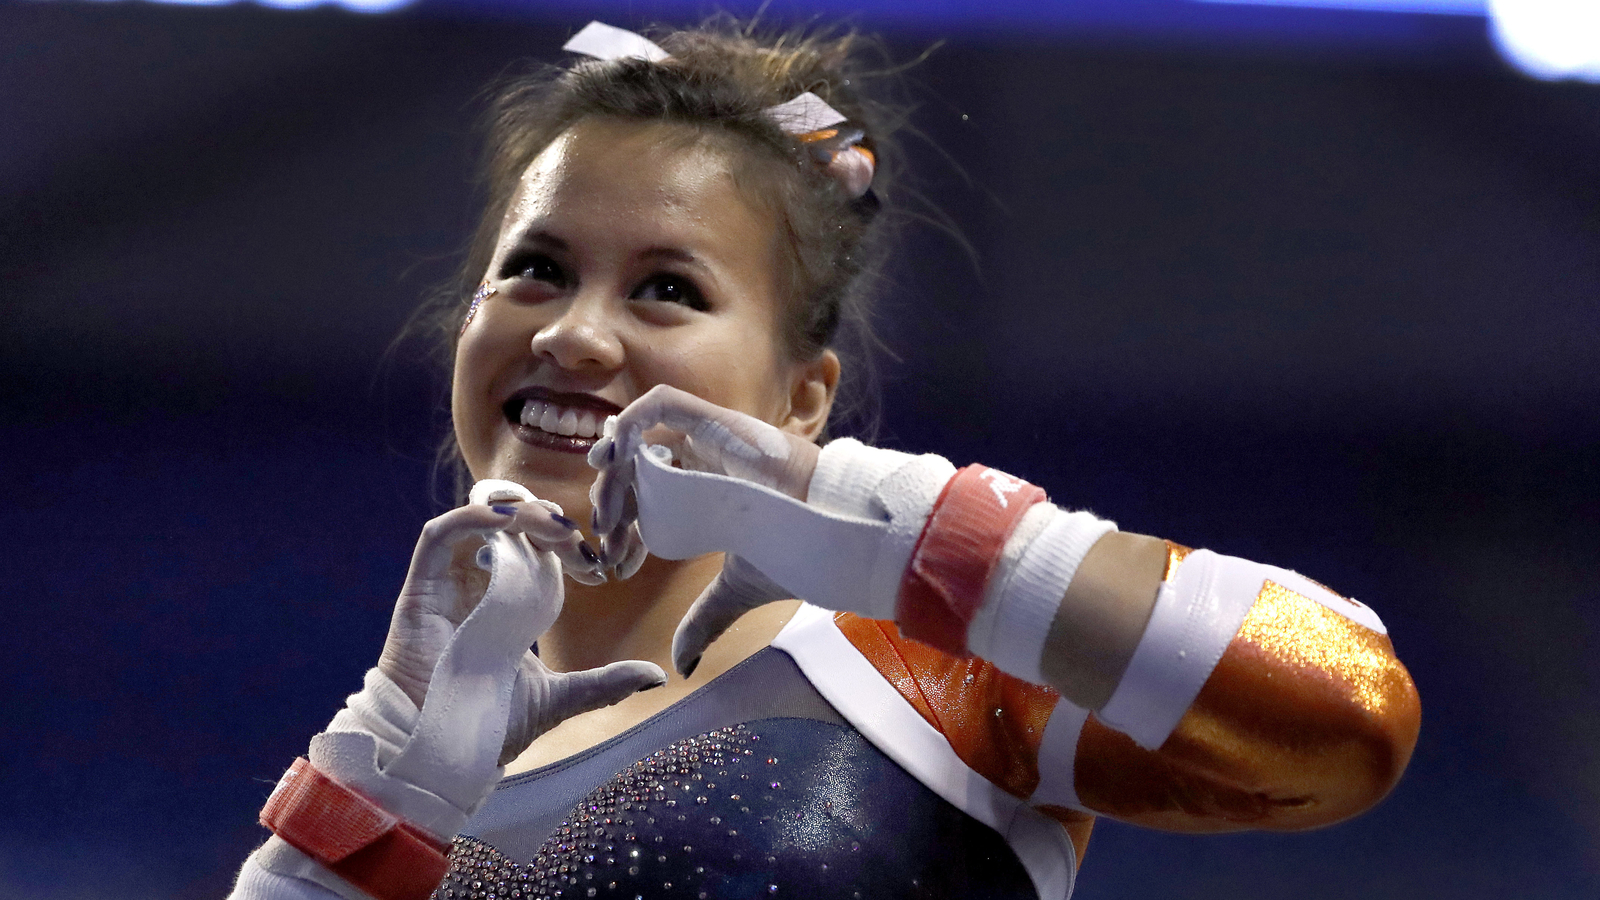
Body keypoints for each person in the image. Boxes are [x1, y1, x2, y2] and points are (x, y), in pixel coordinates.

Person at [231, 20, 1421, 900]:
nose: (574, 334)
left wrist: (881, 517)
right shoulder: (419, 762)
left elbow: (1350, 718)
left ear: (803, 400)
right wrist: (371, 792)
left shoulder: (930, 665)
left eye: (666, 289)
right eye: (535, 270)